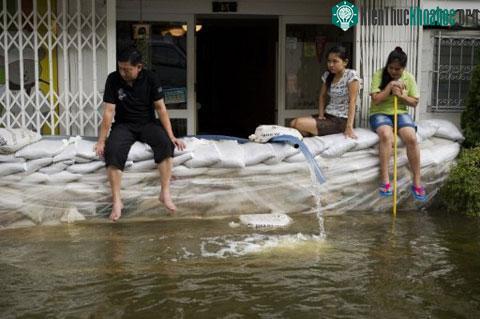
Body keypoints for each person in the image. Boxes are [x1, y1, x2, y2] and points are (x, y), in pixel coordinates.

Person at [95, 47, 186, 221]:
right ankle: (117, 201)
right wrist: (101, 141)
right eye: (120, 68)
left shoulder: (151, 78)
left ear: (139, 67)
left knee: (165, 144)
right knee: (112, 151)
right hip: (123, 125)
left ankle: (165, 193)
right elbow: (108, 111)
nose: (122, 72)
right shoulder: (113, 79)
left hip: (147, 124)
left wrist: (172, 136)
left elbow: (160, 108)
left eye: (127, 69)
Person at [369, 46, 426, 201]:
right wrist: (389, 87)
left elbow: (414, 102)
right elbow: (376, 99)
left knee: (412, 138)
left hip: (400, 113)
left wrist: (401, 95)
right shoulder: (379, 74)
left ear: (404, 68)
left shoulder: (409, 77)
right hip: (379, 113)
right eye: (391, 68)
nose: (394, 72)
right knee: (386, 136)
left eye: (398, 69)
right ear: (387, 65)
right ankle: (385, 180)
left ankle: (417, 181)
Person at [290, 45, 359, 138]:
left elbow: (353, 101)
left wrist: (349, 126)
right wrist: (321, 115)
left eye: (335, 61)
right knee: (293, 123)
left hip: (340, 120)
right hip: (327, 116)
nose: (331, 65)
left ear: (345, 62)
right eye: (329, 61)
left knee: (298, 123)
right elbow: (322, 96)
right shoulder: (328, 75)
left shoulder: (351, 75)